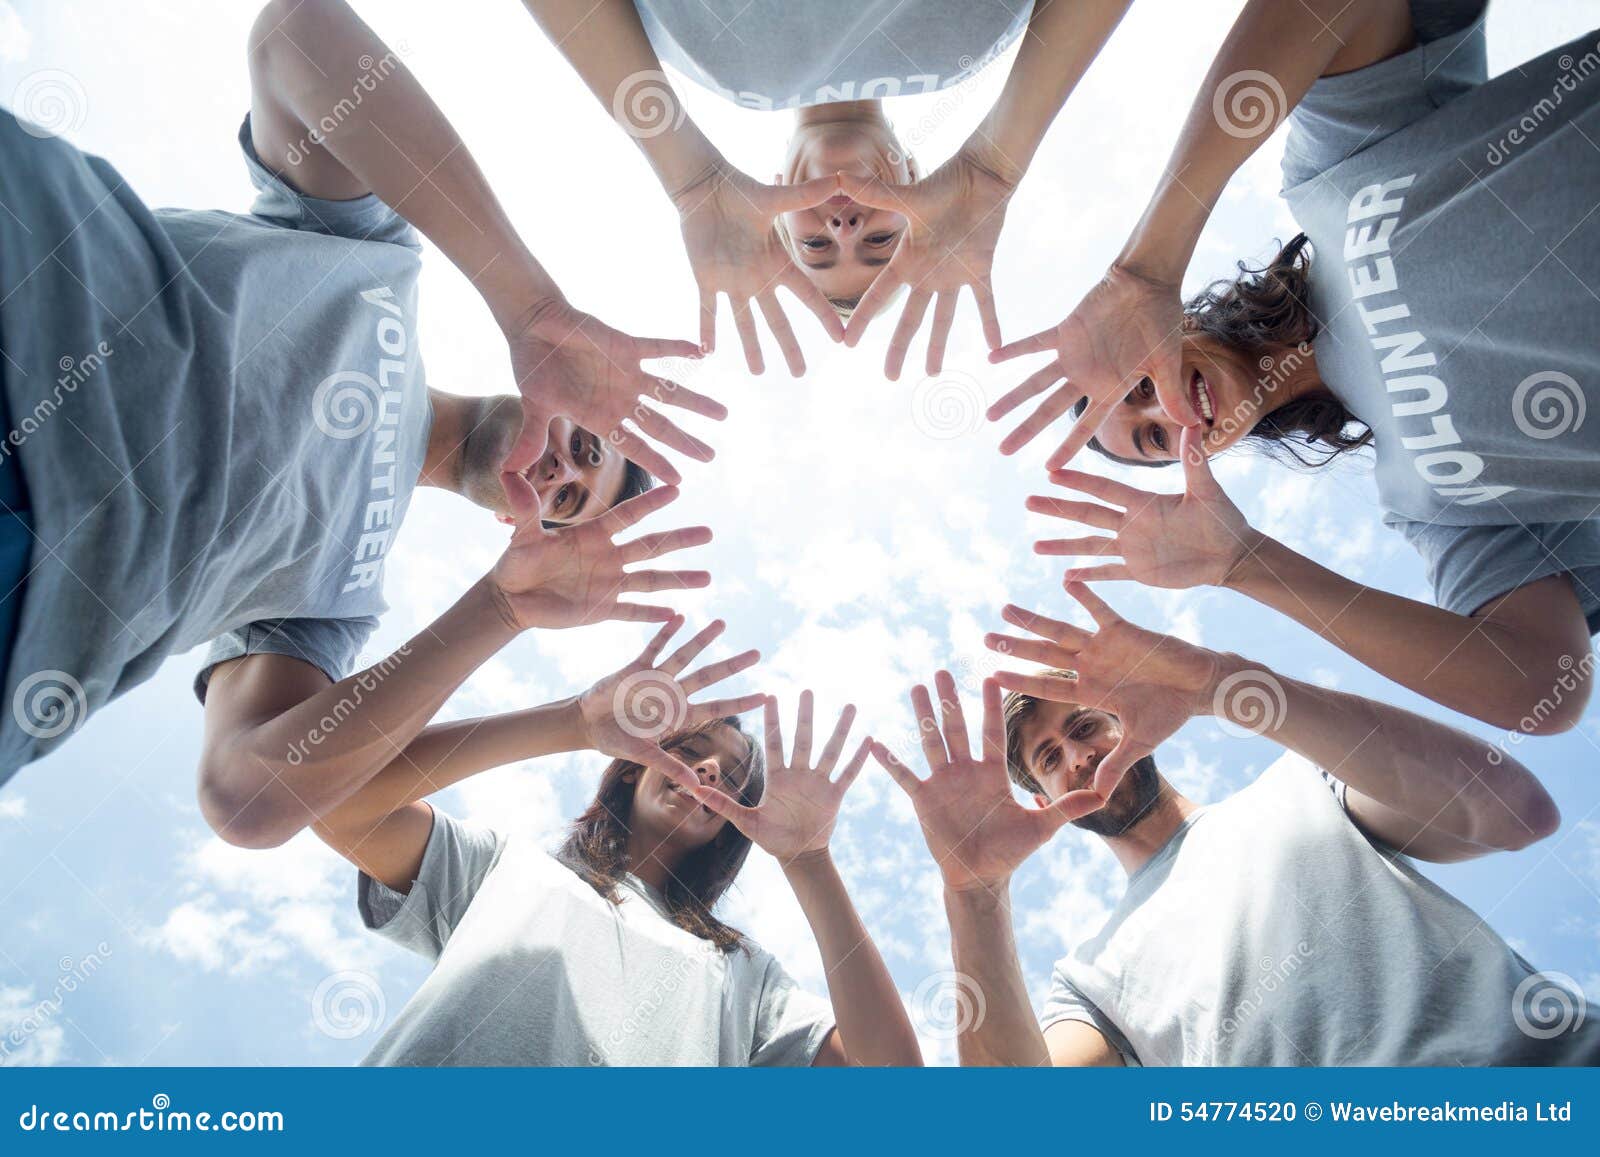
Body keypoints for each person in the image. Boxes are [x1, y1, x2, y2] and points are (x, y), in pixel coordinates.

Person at [0, 0, 722, 843]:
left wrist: (500, 610)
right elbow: (296, 33)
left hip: (32, 588)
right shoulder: (374, 255)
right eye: (585, 446)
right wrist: (531, 306)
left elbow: (245, 798)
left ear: (515, 523)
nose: (561, 472)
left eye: (566, 500)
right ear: (562, 401)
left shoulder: (335, 604)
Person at [993, 1, 1600, 732]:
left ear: (1176, 326)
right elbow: (1540, 687)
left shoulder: (1329, 175)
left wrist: (1144, 267)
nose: (1165, 411)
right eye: (1154, 437)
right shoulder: (1424, 498)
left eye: (1140, 386)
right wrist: (1243, 561)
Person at [873, 582, 1599, 1066]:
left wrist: (1224, 683)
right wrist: (973, 892)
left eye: (1085, 725)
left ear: (1128, 715)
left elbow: (1516, 813)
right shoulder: (1089, 979)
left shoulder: (1304, 784)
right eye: (1049, 758)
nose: (1078, 756)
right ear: (1041, 797)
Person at [315, 620, 919, 1067]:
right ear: (633, 767)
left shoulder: (745, 973)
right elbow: (328, 798)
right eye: (689, 750)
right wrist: (572, 723)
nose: (709, 770)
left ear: (731, 824)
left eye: (733, 778)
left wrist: (810, 862)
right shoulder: (500, 866)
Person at [522, 0, 1136, 377]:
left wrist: (689, 179)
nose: (845, 229)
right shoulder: (970, 47)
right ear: (914, 177)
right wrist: (996, 167)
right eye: (879, 243)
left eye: (816, 247)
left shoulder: (710, 67)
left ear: (775, 202)